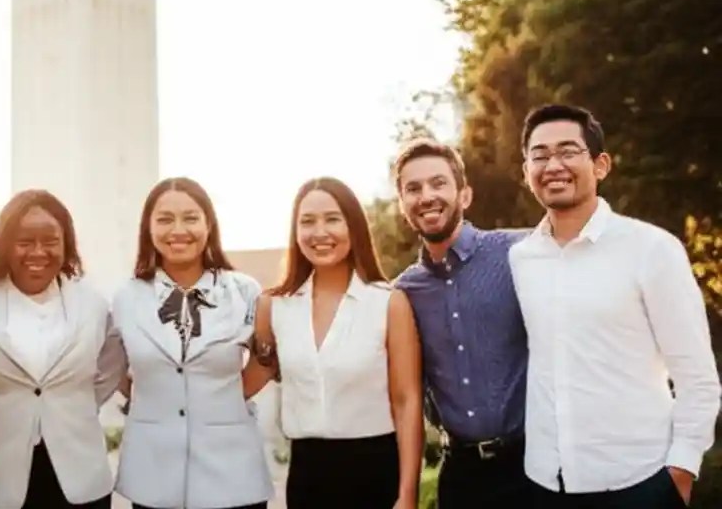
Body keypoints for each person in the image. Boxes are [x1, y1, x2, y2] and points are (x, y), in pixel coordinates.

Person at [511, 104, 720, 508]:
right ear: (526, 173)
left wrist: (681, 471)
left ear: (600, 165)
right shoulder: (520, 260)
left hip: (640, 482)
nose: (553, 165)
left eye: (568, 151)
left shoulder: (652, 249)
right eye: (539, 156)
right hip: (545, 482)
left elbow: (697, 376)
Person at [244, 176, 424, 508]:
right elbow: (248, 382)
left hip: (375, 473)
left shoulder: (388, 303)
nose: (319, 232)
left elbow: (406, 400)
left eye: (332, 219)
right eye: (307, 221)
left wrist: (408, 494)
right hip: (307, 477)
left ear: (353, 226)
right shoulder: (274, 306)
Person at [0, 189, 126, 509]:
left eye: (50, 241)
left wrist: (72, 402)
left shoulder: (92, 305)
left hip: (78, 476)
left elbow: (110, 365)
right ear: (5, 245)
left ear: (66, 244)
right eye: (24, 241)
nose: (38, 252)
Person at [111, 177, 272, 509]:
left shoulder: (244, 291)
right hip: (153, 470)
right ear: (148, 228)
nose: (178, 230)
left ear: (208, 224)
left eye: (190, 218)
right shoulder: (127, 297)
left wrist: (229, 395)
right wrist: (156, 397)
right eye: (165, 219)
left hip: (232, 470)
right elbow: (113, 366)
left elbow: (266, 358)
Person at [391, 139, 533, 508]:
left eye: (438, 183)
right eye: (413, 188)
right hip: (461, 478)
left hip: (533, 468)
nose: (426, 196)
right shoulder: (404, 292)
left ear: (464, 195)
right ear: (403, 205)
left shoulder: (520, 254)